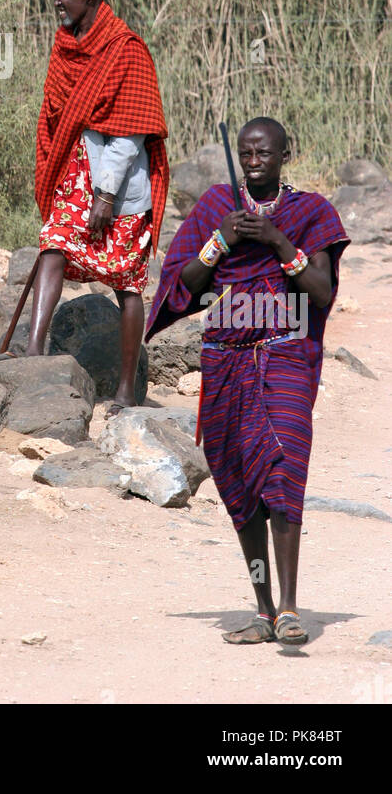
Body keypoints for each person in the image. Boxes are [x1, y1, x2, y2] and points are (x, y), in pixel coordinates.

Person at [145, 117, 349, 646]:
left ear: (286, 153)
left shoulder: (310, 213)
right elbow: (182, 287)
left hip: (285, 358)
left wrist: (280, 242)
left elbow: (321, 292)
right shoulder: (217, 207)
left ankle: (288, 608)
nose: (253, 159)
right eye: (245, 152)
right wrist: (220, 242)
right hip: (224, 362)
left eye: (263, 152)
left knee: (281, 475)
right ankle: (261, 609)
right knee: (239, 488)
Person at [27, 0, 169, 410]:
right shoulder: (66, 43)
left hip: (118, 185)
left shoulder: (126, 49)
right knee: (52, 245)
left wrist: (105, 194)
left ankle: (126, 388)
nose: (55, 1)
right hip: (75, 175)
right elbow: (56, 112)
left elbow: (129, 134)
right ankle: (32, 354)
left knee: (127, 280)